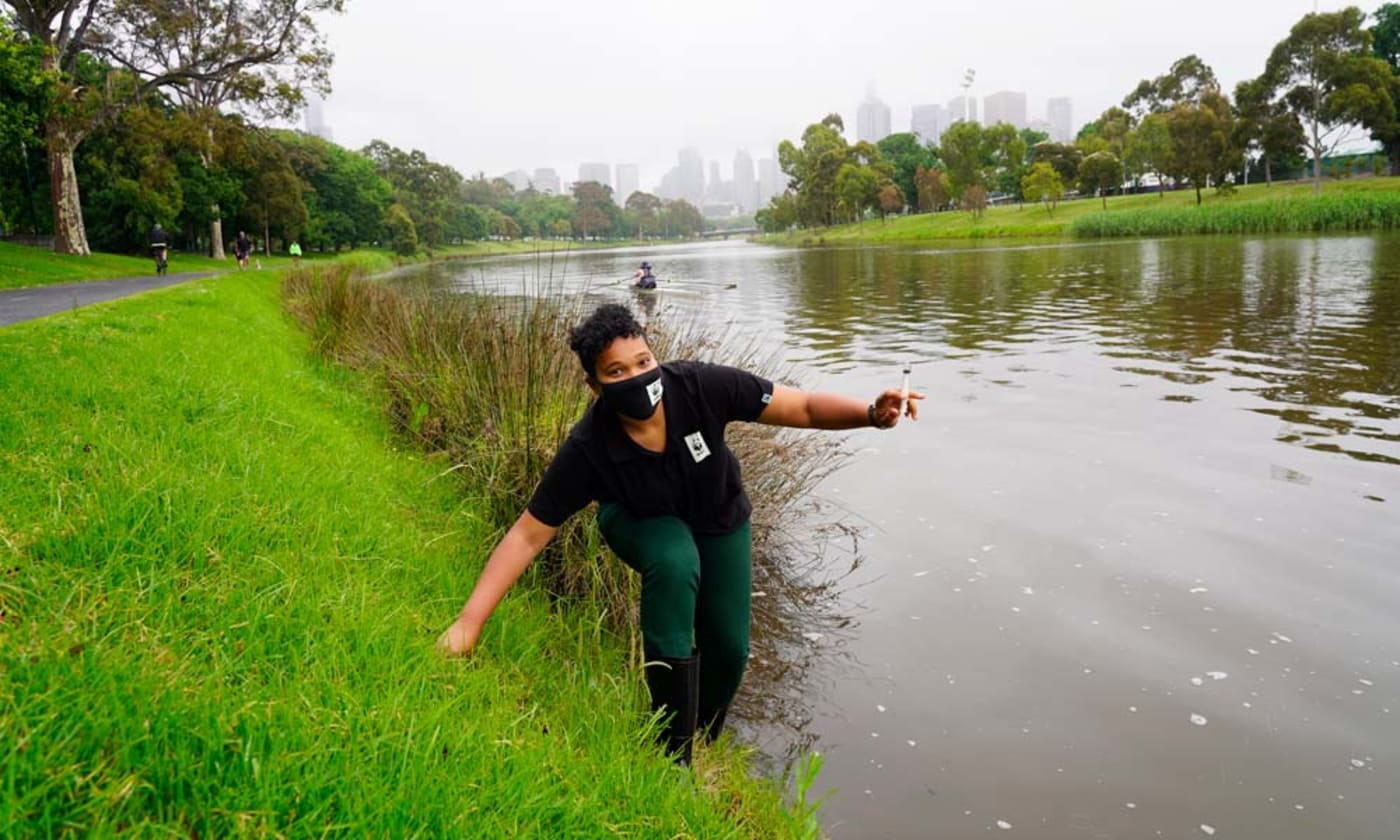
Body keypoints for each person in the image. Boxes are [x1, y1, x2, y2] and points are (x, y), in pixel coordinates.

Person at [439, 304, 924, 765]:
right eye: (616, 371)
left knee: (729, 650)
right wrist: (468, 624)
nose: (637, 377)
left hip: (719, 516)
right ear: (594, 385)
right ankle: (672, 750)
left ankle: (704, 738)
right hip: (638, 520)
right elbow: (527, 535)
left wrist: (870, 413)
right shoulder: (588, 447)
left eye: (643, 361)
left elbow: (805, 408)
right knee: (674, 559)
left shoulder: (700, 386)